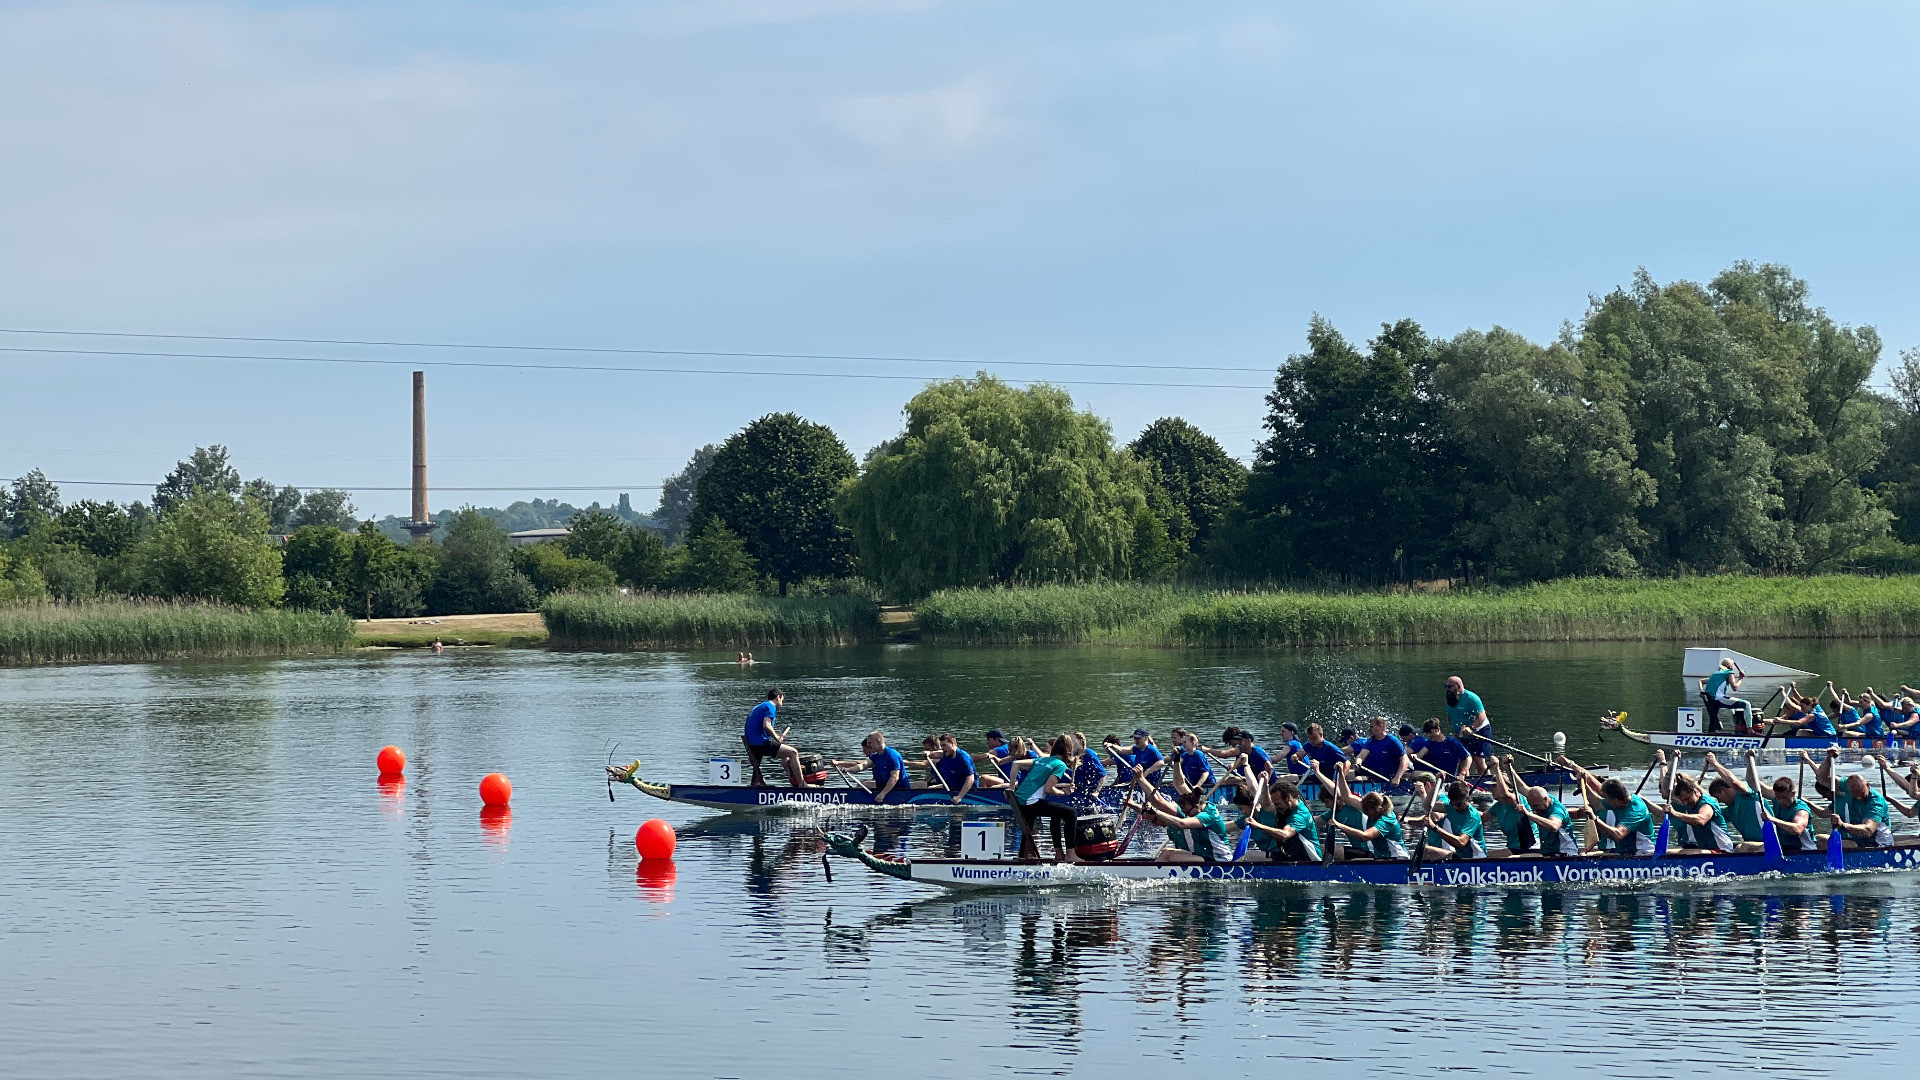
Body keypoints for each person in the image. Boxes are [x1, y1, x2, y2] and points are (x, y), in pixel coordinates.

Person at [1009, 735, 1080, 861]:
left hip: (1019, 800)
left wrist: (1011, 789)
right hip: (1030, 802)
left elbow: (1015, 764)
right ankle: (1070, 854)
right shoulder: (1060, 765)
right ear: (1068, 751)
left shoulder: (1042, 760)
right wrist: (1064, 792)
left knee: (1053, 815)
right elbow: (1048, 789)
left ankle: (1028, 857)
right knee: (1071, 813)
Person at [1808, 748, 1894, 849]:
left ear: (1868, 785)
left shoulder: (1876, 801)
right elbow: (1822, 779)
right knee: (1819, 839)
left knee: (1847, 845)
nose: (1859, 798)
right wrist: (1828, 759)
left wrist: (1842, 825)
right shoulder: (1844, 786)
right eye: (1855, 796)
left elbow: (1868, 830)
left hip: (1876, 844)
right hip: (1851, 841)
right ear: (1847, 788)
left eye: (1862, 795)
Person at [1137, 779, 1237, 863]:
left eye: (1188, 812)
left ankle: (1151, 877)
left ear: (1196, 806)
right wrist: (1176, 761)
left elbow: (1181, 824)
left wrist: (1155, 811)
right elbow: (1179, 783)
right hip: (1206, 856)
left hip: (1219, 860)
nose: (1187, 815)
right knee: (1166, 852)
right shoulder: (1199, 807)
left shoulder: (1207, 815)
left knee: (1167, 854)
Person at [1323, 762, 1407, 860]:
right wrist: (1341, 773)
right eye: (1364, 809)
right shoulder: (1372, 809)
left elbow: (1365, 836)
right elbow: (1346, 797)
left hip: (1398, 859)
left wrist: (1339, 825)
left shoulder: (1386, 820)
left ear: (1377, 809)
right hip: (1381, 858)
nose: (1365, 812)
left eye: (1367, 810)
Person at [1659, 754, 1735, 854]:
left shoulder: (1707, 803)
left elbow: (1701, 819)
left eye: (1687, 799)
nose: (1685, 803)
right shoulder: (1688, 802)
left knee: (1675, 853)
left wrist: (1675, 813)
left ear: (1694, 791)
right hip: (1706, 850)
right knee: (1664, 851)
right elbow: (1666, 792)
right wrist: (1673, 763)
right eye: (1683, 801)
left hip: (1722, 851)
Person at [1700, 751, 1769, 852]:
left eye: (1718, 797)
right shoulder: (1728, 812)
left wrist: (1714, 763)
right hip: (1754, 847)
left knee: (1741, 847)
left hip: (1770, 843)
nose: (1719, 801)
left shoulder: (1747, 792)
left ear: (1724, 790)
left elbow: (1734, 782)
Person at [742, 687, 808, 789]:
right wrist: (777, 737)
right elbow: (766, 725)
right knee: (793, 752)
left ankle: (794, 782)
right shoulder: (770, 706)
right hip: (760, 744)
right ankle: (802, 785)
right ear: (778, 697)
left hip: (753, 744)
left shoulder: (758, 707)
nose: (782, 703)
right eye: (782, 699)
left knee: (785, 755)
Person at [1243, 780, 1321, 862]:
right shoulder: (1287, 807)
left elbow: (1284, 835)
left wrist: (1257, 825)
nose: (1276, 807)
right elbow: (1266, 805)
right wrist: (1265, 784)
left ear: (1288, 797)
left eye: (1277, 804)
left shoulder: (1300, 815)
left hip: (1310, 861)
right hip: (1294, 857)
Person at [832, 731, 910, 802]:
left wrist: (882, 794)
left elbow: (895, 777)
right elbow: (862, 765)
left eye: (870, 743)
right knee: (863, 784)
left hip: (899, 790)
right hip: (882, 786)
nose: (868, 746)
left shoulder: (892, 755)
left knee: (866, 784)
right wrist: (848, 769)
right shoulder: (875, 756)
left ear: (878, 741)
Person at [1484, 756, 1538, 856]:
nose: (1491, 789)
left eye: (1494, 785)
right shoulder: (1498, 806)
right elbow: (1482, 817)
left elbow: (1505, 794)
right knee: (1484, 855)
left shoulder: (1517, 799)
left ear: (1509, 787)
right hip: (1514, 848)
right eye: (1491, 786)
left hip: (1530, 847)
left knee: (1487, 857)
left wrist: (1497, 768)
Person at [1421, 781, 1488, 861]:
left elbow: (1461, 842)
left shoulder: (1472, 816)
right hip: (1460, 857)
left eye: (1458, 804)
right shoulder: (1450, 807)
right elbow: (1427, 806)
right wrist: (1437, 785)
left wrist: (1435, 828)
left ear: (1467, 798)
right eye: (1453, 804)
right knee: (1425, 850)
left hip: (1476, 859)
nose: (1455, 807)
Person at [1445, 676, 1493, 776]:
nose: (1447, 689)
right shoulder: (1450, 699)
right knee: (1464, 760)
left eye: (1449, 687)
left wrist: (1471, 728)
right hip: (1462, 734)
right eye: (1446, 686)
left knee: (1479, 761)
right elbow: (1450, 716)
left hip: (1479, 731)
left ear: (1458, 686)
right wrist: (1455, 732)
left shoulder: (1471, 698)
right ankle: (1464, 785)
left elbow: (1481, 716)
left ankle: (1487, 785)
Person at [1353, 715, 1409, 787]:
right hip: (1373, 778)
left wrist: (1397, 777)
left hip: (1390, 779)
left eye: (1371, 727)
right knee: (1357, 779)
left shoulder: (1392, 741)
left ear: (1381, 727)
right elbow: (1361, 755)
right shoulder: (1370, 741)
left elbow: (1405, 760)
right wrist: (1358, 762)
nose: (1369, 729)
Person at [1699, 657, 1751, 734]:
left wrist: (1702, 691)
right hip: (1718, 699)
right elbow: (1735, 687)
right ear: (1730, 666)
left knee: (1730, 709)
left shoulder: (1715, 674)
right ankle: (1750, 730)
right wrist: (1740, 678)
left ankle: (1712, 732)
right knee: (1746, 704)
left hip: (1711, 700)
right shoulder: (1729, 672)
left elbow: (1700, 681)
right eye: (1733, 665)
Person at [928, 733, 977, 804]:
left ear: (953, 743)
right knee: (920, 785)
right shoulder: (946, 754)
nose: (942, 748)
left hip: (967, 790)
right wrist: (929, 753)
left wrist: (959, 797)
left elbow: (970, 779)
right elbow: (939, 753)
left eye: (944, 745)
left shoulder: (963, 758)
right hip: (952, 786)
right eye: (941, 746)